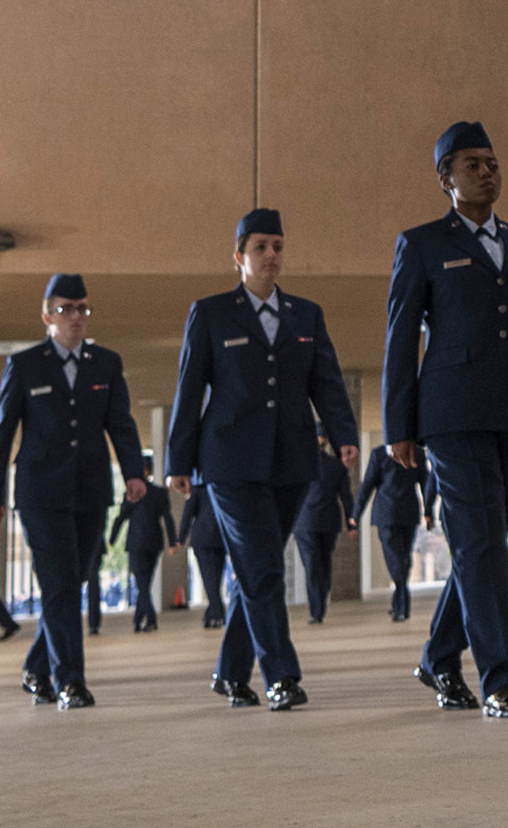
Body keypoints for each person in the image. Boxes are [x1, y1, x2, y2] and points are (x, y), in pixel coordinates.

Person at [383, 122, 508, 718]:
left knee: (484, 545)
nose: (488, 172)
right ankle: (502, 679)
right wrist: (400, 423)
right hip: (453, 415)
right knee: (479, 543)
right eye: (473, 164)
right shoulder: (420, 244)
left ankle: (439, 658)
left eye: (494, 162)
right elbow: (401, 340)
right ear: (445, 178)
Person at [170, 209, 359, 712]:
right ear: (239, 256)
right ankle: (281, 675)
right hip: (230, 460)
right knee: (260, 567)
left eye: (278, 245)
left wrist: (343, 433)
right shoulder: (210, 313)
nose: (271, 254)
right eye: (260, 247)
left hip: (293, 458)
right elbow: (190, 388)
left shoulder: (306, 314)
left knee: (260, 570)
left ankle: (231, 673)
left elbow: (327, 380)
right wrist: (178, 459)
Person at [0, 276, 150, 711]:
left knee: (72, 581)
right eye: (66, 309)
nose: (76, 317)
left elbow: (121, 422)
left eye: (82, 309)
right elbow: (3, 433)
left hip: (91, 489)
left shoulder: (106, 363)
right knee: (59, 585)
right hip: (41, 492)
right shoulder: (24, 365)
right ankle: (70, 682)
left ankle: (36, 666)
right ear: (47, 316)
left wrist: (134, 472)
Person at [351, 440, 431, 622]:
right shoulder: (416, 452)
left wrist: (355, 515)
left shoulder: (379, 454)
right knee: (403, 558)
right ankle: (400, 603)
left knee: (395, 558)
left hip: (386, 513)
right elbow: (426, 483)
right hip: (409, 512)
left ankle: (401, 601)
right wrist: (428, 510)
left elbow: (367, 486)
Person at [293, 446, 355, 626]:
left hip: (304, 521)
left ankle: (316, 610)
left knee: (311, 565)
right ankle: (321, 600)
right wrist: (352, 522)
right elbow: (346, 497)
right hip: (329, 520)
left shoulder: (298, 464)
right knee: (325, 561)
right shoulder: (337, 466)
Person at [110, 460, 173, 633]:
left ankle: (150, 619)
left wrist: (112, 538)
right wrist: (173, 541)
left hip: (136, 543)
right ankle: (138, 620)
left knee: (142, 584)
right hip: (154, 542)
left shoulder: (132, 494)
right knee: (144, 582)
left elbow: (121, 517)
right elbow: (167, 518)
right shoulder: (160, 493)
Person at [180, 482, 228, 628]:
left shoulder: (198, 490)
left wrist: (180, 538)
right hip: (220, 538)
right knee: (215, 578)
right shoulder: (223, 487)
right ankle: (212, 613)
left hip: (202, 539)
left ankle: (218, 613)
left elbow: (188, 513)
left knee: (209, 578)